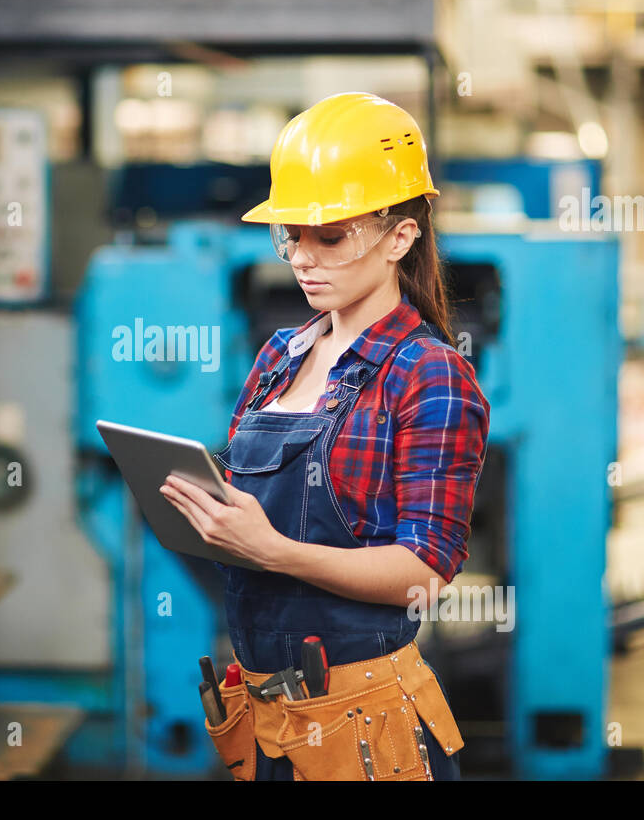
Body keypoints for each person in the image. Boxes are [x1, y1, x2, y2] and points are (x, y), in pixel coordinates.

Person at [160, 92, 490, 781]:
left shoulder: (429, 377)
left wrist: (275, 552)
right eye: (291, 236)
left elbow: (423, 575)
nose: (303, 259)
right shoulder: (280, 355)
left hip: (363, 733)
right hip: (265, 722)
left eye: (330, 237)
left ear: (400, 236)